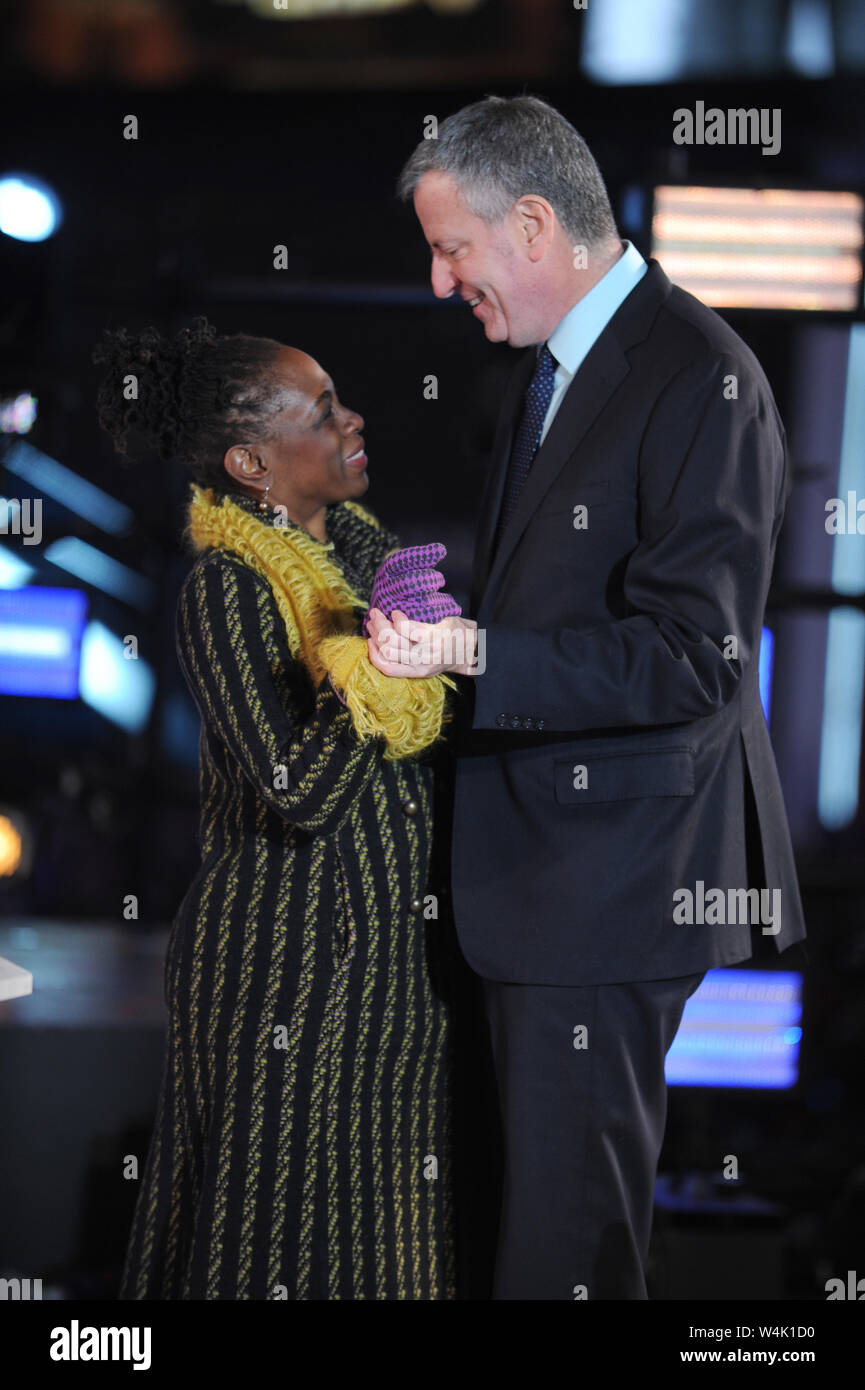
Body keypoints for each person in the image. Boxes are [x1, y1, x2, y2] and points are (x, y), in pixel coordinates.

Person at [366, 94, 808, 1300]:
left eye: (453, 247)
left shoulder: (698, 375)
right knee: (517, 1241)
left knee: (562, 1254)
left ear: (531, 223)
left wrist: (469, 654)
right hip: (537, 886)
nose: (443, 279)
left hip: (607, 886)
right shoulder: (549, 376)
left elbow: (692, 657)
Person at [93, 316, 464, 1300]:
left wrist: (429, 649)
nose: (353, 419)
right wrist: (375, 671)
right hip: (282, 970)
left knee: (382, 1240)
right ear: (253, 462)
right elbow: (298, 794)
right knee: (267, 1243)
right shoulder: (225, 586)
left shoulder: (362, 570)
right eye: (324, 409)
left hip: (386, 971)